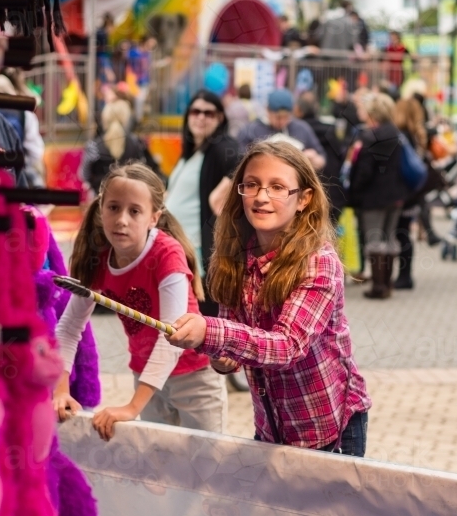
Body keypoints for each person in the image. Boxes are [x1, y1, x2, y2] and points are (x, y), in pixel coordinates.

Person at [168, 141, 371, 456]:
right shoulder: (235, 255)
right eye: (252, 185)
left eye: (278, 187)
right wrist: (222, 357)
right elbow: (234, 336)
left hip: (327, 428)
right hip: (271, 425)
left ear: (304, 199)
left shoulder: (319, 260)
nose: (261, 197)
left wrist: (209, 332)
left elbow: (287, 346)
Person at [53, 163, 227, 438]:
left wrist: (132, 407)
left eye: (134, 211)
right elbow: (69, 327)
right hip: (145, 375)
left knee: (208, 467)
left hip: (195, 377)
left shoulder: (167, 253)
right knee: (159, 465)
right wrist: (60, 390)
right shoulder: (97, 257)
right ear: (100, 210)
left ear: (153, 218)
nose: (122, 219)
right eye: (113, 207)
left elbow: (171, 339)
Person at [165, 90, 242, 316]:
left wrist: (227, 183)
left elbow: (242, 159)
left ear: (219, 119)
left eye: (209, 113)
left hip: (199, 256)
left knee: (200, 323)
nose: (201, 117)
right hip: (177, 251)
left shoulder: (219, 146)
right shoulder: (191, 153)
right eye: (196, 111)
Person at [347, 92, 410, 299]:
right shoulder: (397, 134)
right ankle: (387, 284)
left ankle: (378, 287)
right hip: (396, 195)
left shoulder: (369, 137)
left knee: (374, 240)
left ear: (373, 113)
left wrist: (353, 190)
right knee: (390, 237)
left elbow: (364, 171)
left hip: (373, 197)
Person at [80, 99, 161, 196]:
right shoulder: (136, 144)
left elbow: (85, 175)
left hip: (100, 199)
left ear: (105, 118)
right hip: (131, 197)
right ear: (126, 119)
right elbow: (145, 170)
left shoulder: (94, 146)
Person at [237, 89, 326, 171]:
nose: (282, 121)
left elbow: (322, 158)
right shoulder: (250, 130)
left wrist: (312, 159)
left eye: (286, 117)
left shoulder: (302, 128)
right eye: (278, 117)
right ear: (267, 110)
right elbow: (239, 162)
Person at [392, 95, 428, 290]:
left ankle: (404, 276)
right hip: (414, 192)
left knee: (401, 234)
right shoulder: (416, 135)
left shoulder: (401, 136)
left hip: (404, 192)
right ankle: (405, 275)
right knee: (404, 233)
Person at [295, 91, 348, 225]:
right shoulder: (330, 130)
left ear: (299, 110)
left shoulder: (299, 132)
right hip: (333, 190)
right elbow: (341, 155)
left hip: (307, 193)